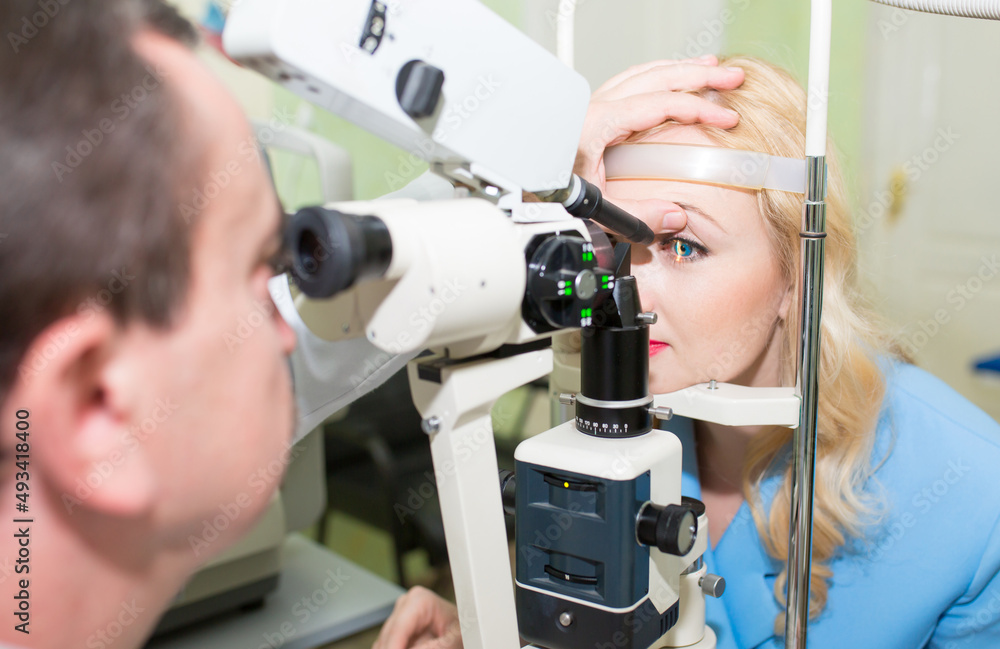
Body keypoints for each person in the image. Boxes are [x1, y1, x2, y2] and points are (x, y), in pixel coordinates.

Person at [375, 57, 1000, 649]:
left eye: (683, 247)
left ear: (796, 274)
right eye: (608, 240)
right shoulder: (605, 406)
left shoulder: (972, 496)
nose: (628, 288)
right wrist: (485, 628)